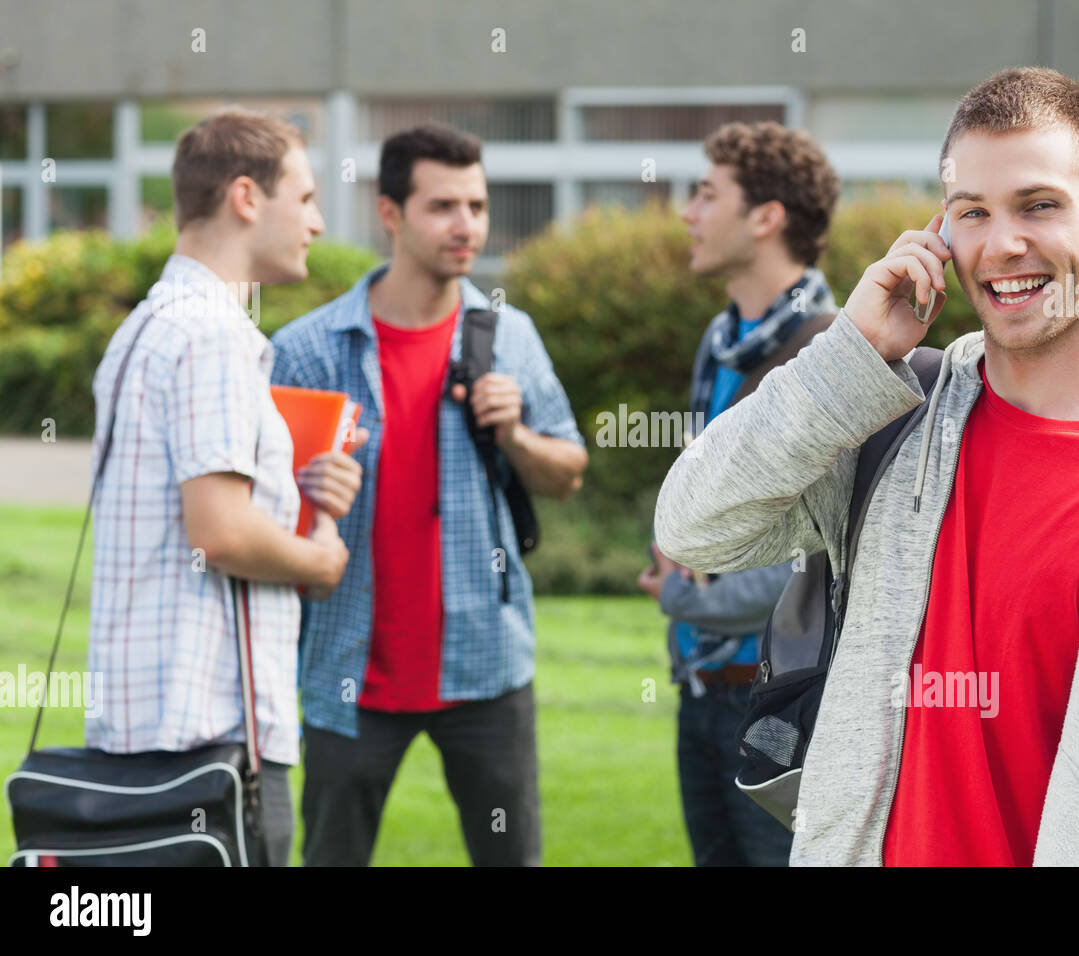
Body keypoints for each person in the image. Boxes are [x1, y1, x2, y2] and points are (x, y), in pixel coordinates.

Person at [653, 67, 1079, 866]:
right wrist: (853, 352)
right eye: (972, 212)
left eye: (1039, 205)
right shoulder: (889, 417)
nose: (1001, 243)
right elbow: (693, 525)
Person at [270, 122, 588, 867]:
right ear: (390, 213)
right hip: (349, 669)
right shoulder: (306, 350)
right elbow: (258, 514)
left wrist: (515, 436)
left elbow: (568, 471)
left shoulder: (510, 336)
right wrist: (308, 493)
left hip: (486, 669)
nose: (466, 225)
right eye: (443, 206)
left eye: (476, 206)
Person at [87, 108, 362, 867]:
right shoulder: (213, 336)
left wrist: (304, 485)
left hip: (141, 725)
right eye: (304, 198)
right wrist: (322, 558)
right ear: (247, 197)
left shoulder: (147, 325)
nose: (315, 222)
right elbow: (222, 533)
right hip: (208, 733)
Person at [637, 121, 840, 866]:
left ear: (766, 217)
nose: (687, 212)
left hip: (777, 699)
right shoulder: (720, 342)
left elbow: (806, 563)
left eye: (706, 193)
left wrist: (678, 595)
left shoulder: (829, 353)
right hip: (700, 688)